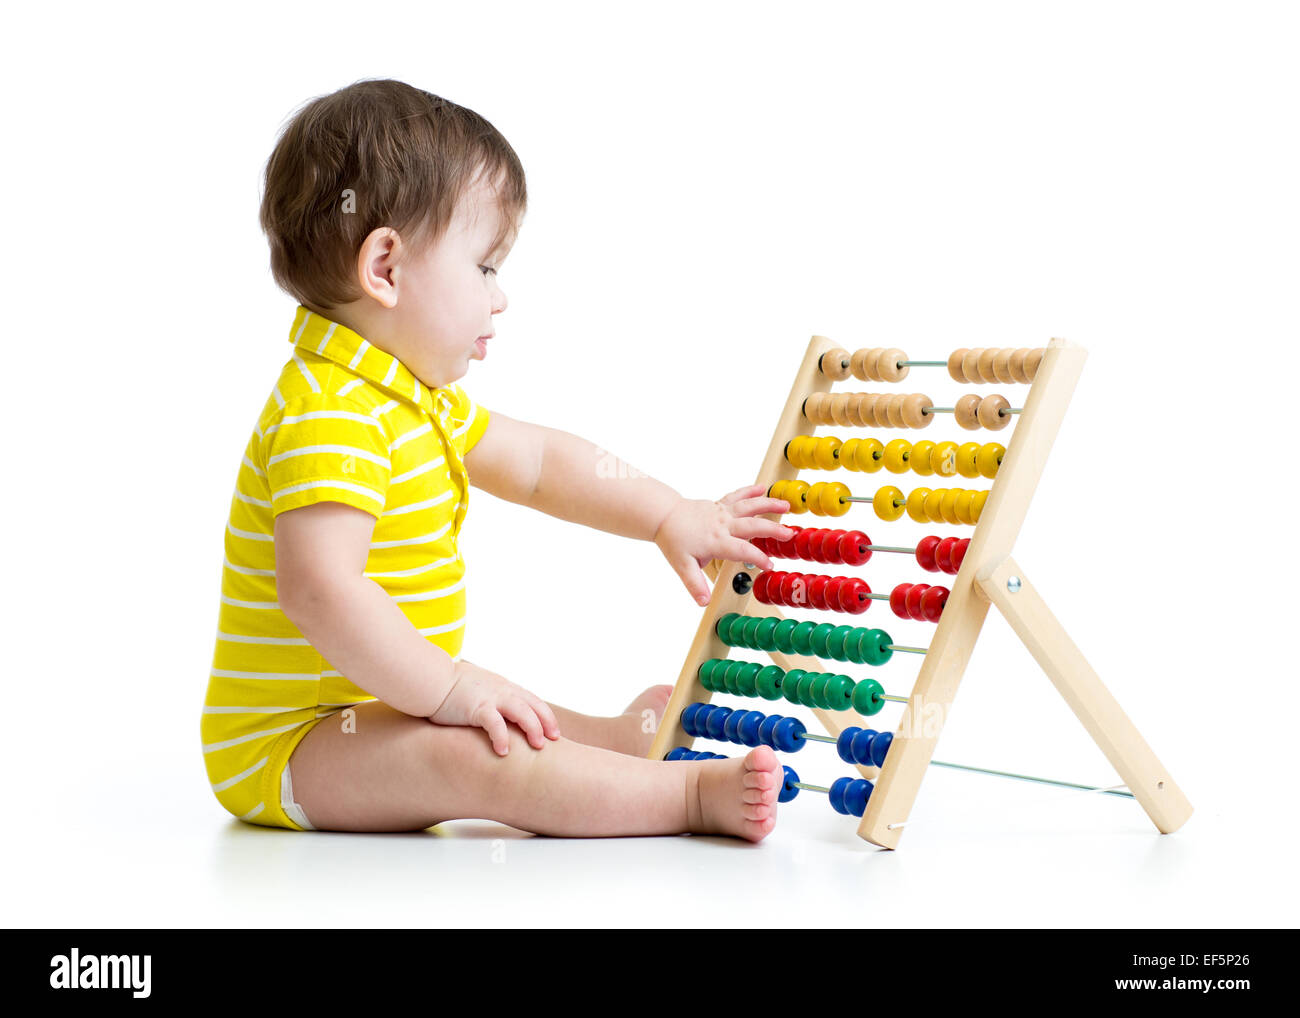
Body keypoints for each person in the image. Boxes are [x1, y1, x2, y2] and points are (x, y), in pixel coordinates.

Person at [201, 78, 794, 842]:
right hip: (291, 747)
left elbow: (543, 464)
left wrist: (668, 515)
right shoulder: (329, 412)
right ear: (384, 267)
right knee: (477, 752)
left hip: (379, 707)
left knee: (503, 716)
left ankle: (613, 744)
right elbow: (319, 591)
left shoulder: (407, 393)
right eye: (484, 268)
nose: (500, 296)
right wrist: (449, 687)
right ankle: (683, 800)